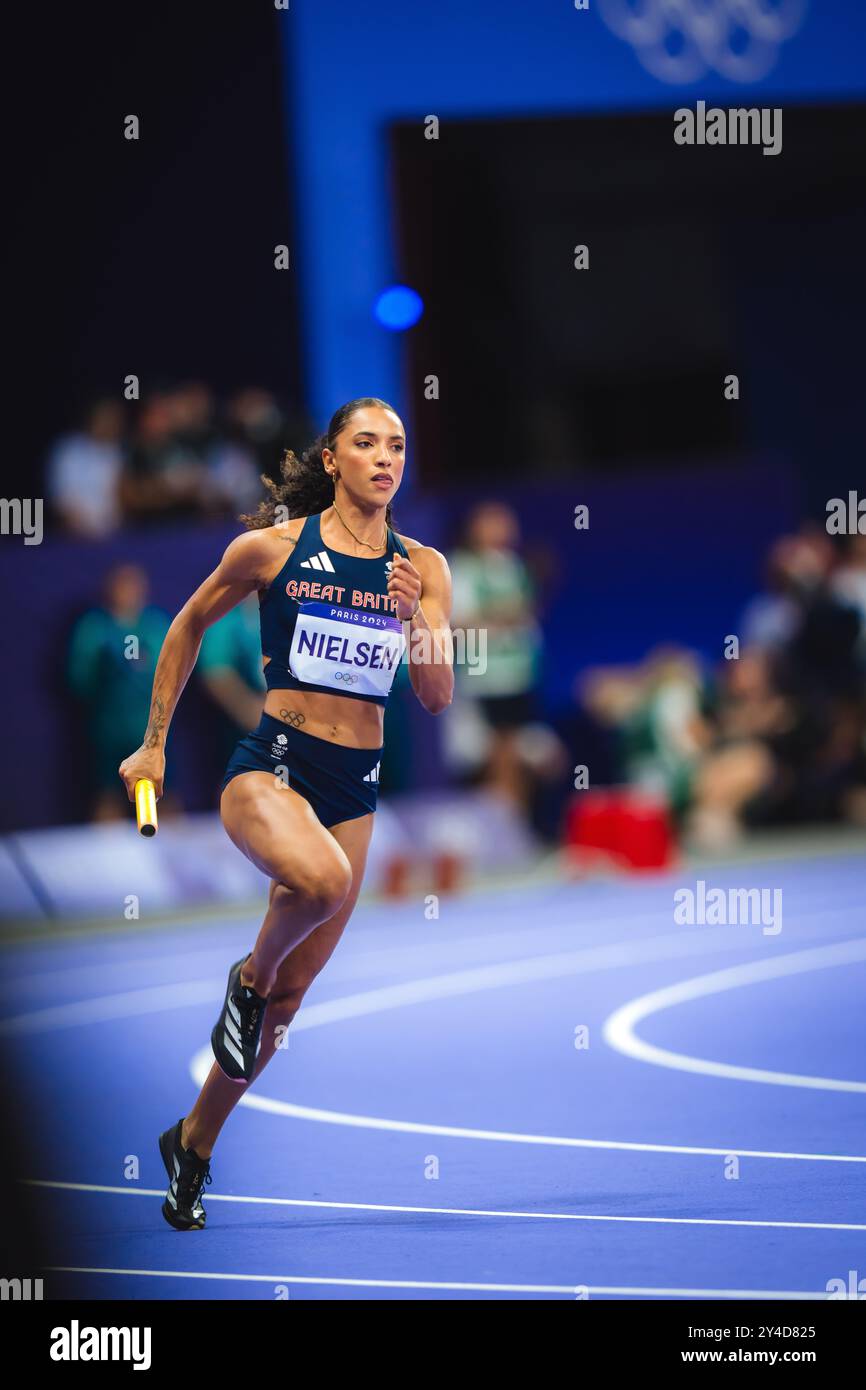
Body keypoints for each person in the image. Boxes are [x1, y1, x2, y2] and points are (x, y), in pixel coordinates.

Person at [118, 397, 454, 1230]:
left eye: (398, 446)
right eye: (366, 444)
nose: (385, 458)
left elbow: (437, 695)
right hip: (271, 764)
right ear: (332, 459)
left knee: (291, 1003)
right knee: (322, 881)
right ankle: (247, 976)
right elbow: (188, 622)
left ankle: (192, 1146)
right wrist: (153, 743)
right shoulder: (272, 549)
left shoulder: (425, 566)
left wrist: (417, 617)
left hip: (355, 785)